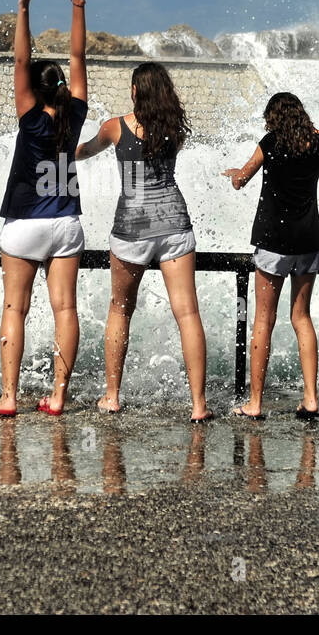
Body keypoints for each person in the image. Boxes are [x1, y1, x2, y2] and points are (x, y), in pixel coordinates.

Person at [75, 62, 213, 422]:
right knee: (188, 314)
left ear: (136, 90)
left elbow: (84, 151)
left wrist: (53, 147)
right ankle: (199, 405)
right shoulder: (173, 130)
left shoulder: (115, 128)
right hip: (174, 224)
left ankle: (112, 396)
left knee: (121, 309)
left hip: (132, 227)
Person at [0, 0, 91, 417]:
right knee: (64, 309)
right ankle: (58, 396)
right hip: (66, 224)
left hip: (25, 225)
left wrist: (23, 8)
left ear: (35, 88)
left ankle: (10, 398)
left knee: (16, 307)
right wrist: (77, 3)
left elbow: (19, 62)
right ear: (63, 89)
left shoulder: (30, 117)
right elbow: (77, 55)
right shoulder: (76, 114)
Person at [222, 92, 319, 420]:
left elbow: (241, 180)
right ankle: (310, 398)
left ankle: (255, 404)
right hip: (309, 240)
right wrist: (310, 132)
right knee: (302, 318)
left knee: (264, 321)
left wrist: (235, 172)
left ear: (273, 118)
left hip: (273, 241)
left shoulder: (270, 143)